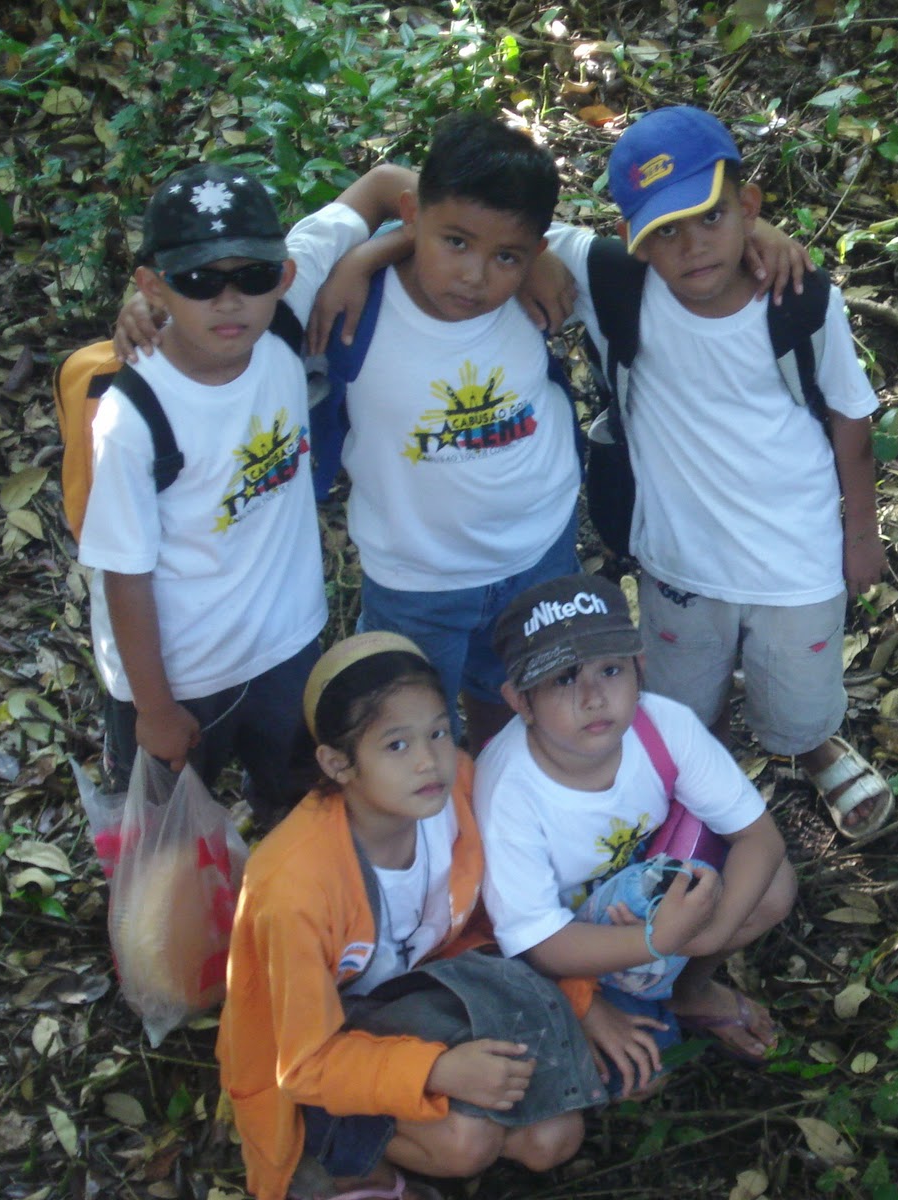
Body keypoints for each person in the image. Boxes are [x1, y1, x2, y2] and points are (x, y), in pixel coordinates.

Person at [117, 114, 584, 753]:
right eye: (455, 244)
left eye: (505, 256)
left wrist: (537, 258)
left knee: (521, 722)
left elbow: (661, 258)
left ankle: (497, 822)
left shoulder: (544, 280)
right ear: (416, 217)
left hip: (541, 556)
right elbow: (379, 188)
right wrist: (149, 304)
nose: (475, 276)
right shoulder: (324, 295)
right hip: (416, 581)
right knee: (404, 740)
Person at [543, 106, 894, 838]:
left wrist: (861, 534)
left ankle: (810, 746)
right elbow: (489, 221)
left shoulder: (800, 302)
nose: (692, 245)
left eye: (712, 217)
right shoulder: (617, 286)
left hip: (796, 561)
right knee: (682, 703)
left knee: (798, 697)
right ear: (633, 241)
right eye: (664, 231)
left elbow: (851, 421)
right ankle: (699, 789)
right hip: (680, 562)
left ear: (749, 207)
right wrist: (367, 250)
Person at [217, 632, 607, 1200]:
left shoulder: (462, 790)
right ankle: (347, 1166)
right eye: (396, 745)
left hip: (435, 991)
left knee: (554, 1139)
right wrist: (436, 1072)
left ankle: (399, 1143)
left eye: (439, 732)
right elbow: (301, 1062)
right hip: (333, 1038)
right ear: (337, 762)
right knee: (465, 1145)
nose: (430, 761)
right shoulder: (292, 886)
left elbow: (511, 914)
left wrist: (581, 1004)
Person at [472, 574, 797, 1092]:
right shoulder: (508, 790)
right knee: (639, 1081)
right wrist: (651, 943)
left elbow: (762, 839)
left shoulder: (663, 727)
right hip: (577, 956)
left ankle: (690, 989)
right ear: (520, 701)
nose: (593, 697)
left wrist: (705, 935)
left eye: (610, 669)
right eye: (562, 679)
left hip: (665, 909)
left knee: (773, 885)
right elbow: (538, 943)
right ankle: (621, 1002)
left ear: (639, 668)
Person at [78, 163, 326, 828]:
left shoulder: (281, 331)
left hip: (286, 646)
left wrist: (379, 251)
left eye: (252, 277)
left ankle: (287, 928)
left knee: (302, 813)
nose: (230, 300)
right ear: (153, 287)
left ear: (284, 276)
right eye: (198, 281)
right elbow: (124, 574)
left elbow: (383, 193)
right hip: (180, 675)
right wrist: (155, 708)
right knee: (165, 850)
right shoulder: (134, 417)